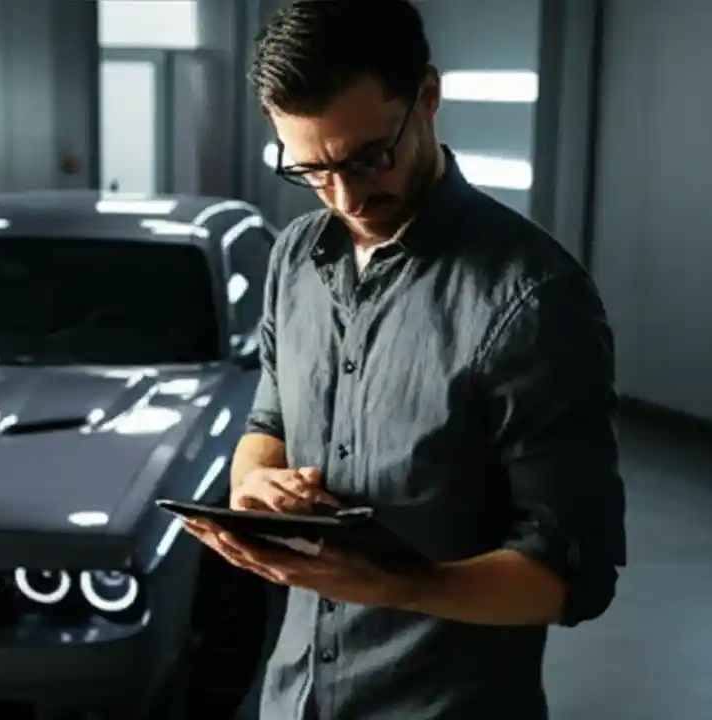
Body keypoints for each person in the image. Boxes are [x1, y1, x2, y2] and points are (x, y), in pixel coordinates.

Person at [180, 1, 627, 718]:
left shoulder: (536, 299)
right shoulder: (294, 257)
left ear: (427, 96)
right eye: (312, 170)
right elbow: (268, 416)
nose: (348, 196)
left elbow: (574, 574)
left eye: (369, 157)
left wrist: (402, 588)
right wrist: (255, 482)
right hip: (294, 698)